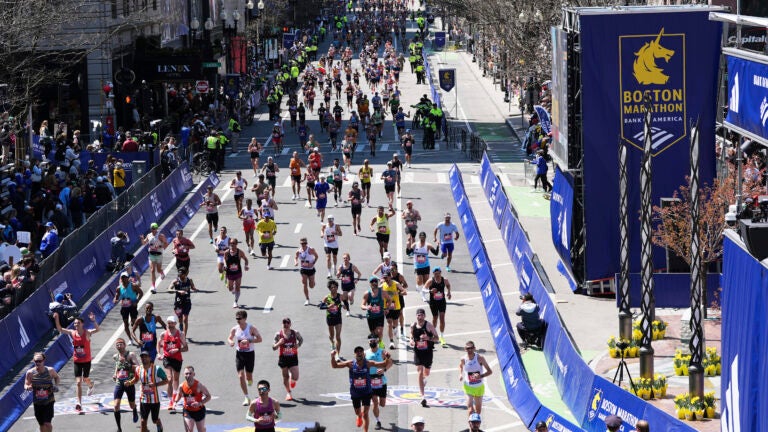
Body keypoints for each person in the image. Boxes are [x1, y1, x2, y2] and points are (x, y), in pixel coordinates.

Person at [330, 346, 388, 432]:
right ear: (354, 354)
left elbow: (383, 364)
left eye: (361, 351)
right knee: (358, 412)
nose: (359, 353)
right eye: (357, 352)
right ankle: (358, 416)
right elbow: (335, 366)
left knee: (365, 413)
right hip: (355, 393)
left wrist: (387, 357)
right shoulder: (350, 364)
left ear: (364, 354)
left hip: (366, 392)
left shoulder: (368, 363)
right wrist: (332, 357)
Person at [53, 312, 99, 413]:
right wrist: (56, 318)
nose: (76, 325)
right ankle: (79, 403)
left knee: (85, 378)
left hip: (86, 360)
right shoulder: (72, 333)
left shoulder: (87, 332)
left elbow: (97, 330)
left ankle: (91, 385)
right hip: (77, 361)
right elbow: (60, 329)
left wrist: (93, 320)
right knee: (78, 382)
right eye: (74, 323)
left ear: (82, 324)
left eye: (78, 323)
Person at [228, 310, 263, 406]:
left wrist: (249, 340)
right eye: (236, 319)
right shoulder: (235, 329)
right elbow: (229, 337)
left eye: (239, 319)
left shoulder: (251, 328)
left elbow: (260, 339)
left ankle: (250, 380)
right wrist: (230, 341)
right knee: (240, 376)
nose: (238, 321)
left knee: (249, 376)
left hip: (250, 354)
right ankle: (247, 397)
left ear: (245, 319)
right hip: (239, 354)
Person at [157, 315, 187, 410]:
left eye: (172, 323)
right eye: (169, 323)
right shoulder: (163, 334)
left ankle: (174, 398)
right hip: (167, 358)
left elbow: (186, 348)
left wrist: (177, 350)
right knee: (169, 379)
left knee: (176, 379)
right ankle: (171, 401)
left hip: (177, 359)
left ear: (175, 323)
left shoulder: (180, 334)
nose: (170, 325)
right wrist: (159, 353)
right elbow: (158, 343)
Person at [24, 352, 60, 432]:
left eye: (40, 361)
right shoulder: (30, 373)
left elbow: (57, 377)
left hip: (49, 401)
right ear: (34, 361)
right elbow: (26, 384)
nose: (38, 363)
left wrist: (56, 386)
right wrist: (27, 387)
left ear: (44, 361)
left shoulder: (50, 370)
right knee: (41, 424)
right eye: (36, 361)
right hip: (37, 402)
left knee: (47, 423)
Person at [410, 308, 438, 407]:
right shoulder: (413, 326)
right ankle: (423, 396)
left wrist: (428, 338)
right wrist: (411, 341)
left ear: (424, 316)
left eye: (421, 315)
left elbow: (437, 338)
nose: (420, 317)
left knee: (426, 373)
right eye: (418, 315)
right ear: (416, 316)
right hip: (418, 352)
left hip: (428, 352)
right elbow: (411, 336)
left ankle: (424, 380)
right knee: (420, 371)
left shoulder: (429, 325)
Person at [134, 350, 167, 432]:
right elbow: (136, 379)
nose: (144, 359)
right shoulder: (138, 369)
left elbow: (166, 380)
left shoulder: (157, 369)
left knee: (154, 420)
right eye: (142, 357)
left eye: (145, 357)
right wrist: (129, 382)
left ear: (150, 358)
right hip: (144, 398)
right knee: (143, 421)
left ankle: (159, 423)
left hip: (155, 399)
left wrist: (155, 384)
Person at [365, 334, 393, 430]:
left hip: (381, 381)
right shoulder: (365, 353)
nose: (372, 342)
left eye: (374, 340)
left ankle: (382, 399)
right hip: (371, 381)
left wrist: (384, 370)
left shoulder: (382, 352)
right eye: (371, 341)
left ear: (377, 341)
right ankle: (378, 421)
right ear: (368, 342)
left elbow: (391, 362)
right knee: (375, 402)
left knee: (382, 404)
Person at [111, 338, 140, 430]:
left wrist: (128, 364)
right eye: (117, 345)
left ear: (124, 345)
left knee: (131, 405)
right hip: (119, 383)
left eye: (121, 344)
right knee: (116, 405)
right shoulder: (115, 356)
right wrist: (115, 374)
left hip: (129, 383)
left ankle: (134, 409)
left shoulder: (131, 355)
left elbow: (139, 367)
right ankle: (119, 428)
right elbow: (117, 366)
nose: (119, 346)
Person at [272, 317, 304, 401]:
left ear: (290, 324)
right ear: (282, 324)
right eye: (284, 323)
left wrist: (298, 345)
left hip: (293, 357)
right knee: (285, 377)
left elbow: (301, 340)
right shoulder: (278, 334)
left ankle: (292, 380)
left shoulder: (295, 333)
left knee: (296, 377)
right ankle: (289, 392)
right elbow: (273, 347)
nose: (286, 324)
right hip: (283, 358)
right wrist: (279, 343)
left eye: (287, 323)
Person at [172, 366, 211, 432]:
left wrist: (199, 403)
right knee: (189, 430)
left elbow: (208, 396)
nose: (188, 375)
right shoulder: (182, 386)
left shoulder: (199, 385)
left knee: (201, 430)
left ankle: (203, 429)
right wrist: (175, 402)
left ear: (194, 374)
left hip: (199, 411)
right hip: (188, 411)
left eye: (190, 373)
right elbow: (179, 395)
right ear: (184, 375)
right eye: (186, 373)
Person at [459, 341, 493, 416]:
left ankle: (476, 427)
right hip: (468, 387)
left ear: (474, 348)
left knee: (478, 412)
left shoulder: (480, 358)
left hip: (479, 387)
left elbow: (490, 371)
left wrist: (480, 376)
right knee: (470, 410)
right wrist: (461, 374)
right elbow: (460, 366)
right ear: (465, 349)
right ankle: (470, 427)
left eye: (471, 348)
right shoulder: (463, 359)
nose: (469, 350)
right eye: (468, 348)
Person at [425, 267, 452, 346]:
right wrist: (430, 291)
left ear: (441, 273)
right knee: (435, 318)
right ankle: (434, 333)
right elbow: (423, 290)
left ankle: (442, 337)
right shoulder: (430, 281)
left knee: (442, 318)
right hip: (433, 302)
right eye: (435, 274)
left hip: (442, 301)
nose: (437, 275)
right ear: (433, 274)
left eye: (438, 273)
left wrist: (449, 292)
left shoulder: (444, 280)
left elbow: (448, 285)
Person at [407, 232, 439, 301]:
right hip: (418, 265)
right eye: (421, 237)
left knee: (426, 282)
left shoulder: (428, 245)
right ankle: (417, 285)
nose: (422, 238)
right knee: (420, 282)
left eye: (423, 237)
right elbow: (408, 253)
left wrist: (438, 246)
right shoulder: (415, 245)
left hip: (426, 265)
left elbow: (436, 253)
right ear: (419, 237)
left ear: (425, 237)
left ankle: (423, 296)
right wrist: (408, 246)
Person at [361, 276, 389, 349]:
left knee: (379, 331)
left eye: (375, 282)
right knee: (373, 334)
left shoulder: (382, 292)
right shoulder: (367, 293)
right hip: (371, 317)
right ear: (370, 284)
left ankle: (380, 343)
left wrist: (387, 308)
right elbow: (362, 305)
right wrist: (367, 307)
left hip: (380, 315)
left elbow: (389, 299)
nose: (374, 283)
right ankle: (375, 347)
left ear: (377, 283)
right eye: (372, 282)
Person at [381, 271, 406, 349]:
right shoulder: (382, 285)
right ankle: (391, 341)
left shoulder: (396, 284)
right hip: (387, 307)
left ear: (390, 277)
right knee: (389, 323)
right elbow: (377, 292)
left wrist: (398, 293)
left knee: (395, 324)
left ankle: (395, 329)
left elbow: (405, 292)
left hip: (396, 307)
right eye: (384, 277)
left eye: (386, 277)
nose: (385, 279)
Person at [140, 223, 168, 293]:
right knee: (152, 270)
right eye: (152, 228)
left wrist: (159, 247)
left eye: (154, 228)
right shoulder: (149, 235)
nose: (153, 230)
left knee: (158, 270)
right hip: (151, 255)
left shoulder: (161, 236)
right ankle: (153, 287)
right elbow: (144, 243)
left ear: (156, 228)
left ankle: (162, 273)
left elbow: (166, 244)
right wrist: (142, 239)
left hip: (159, 254)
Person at [170, 268, 197, 335]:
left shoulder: (189, 280)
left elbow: (193, 287)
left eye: (181, 274)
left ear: (185, 274)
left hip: (187, 302)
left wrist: (195, 289)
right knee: (180, 319)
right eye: (179, 273)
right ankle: (181, 324)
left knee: (185, 319)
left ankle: (184, 336)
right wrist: (178, 291)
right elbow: (169, 289)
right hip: (178, 303)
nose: (179, 275)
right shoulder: (175, 281)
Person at [224, 238, 250, 308]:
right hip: (230, 273)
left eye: (233, 243)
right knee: (230, 289)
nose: (231, 245)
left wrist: (246, 266)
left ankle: (235, 302)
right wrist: (225, 266)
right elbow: (224, 260)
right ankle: (233, 288)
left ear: (236, 244)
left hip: (238, 273)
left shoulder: (240, 252)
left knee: (238, 287)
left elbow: (246, 259)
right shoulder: (226, 252)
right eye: (230, 243)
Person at [295, 238, 319, 305]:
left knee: (311, 286)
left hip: (311, 269)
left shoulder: (311, 249)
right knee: (304, 283)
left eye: (304, 243)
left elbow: (317, 256)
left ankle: (313, 282)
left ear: (306, 243)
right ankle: (307, 299)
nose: (303, 245)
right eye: (302, 243)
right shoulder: (299, 251)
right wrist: (296, 262)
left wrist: (313, 263)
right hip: (303, 269)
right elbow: (295, 257)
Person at [336, 252, 362, 316]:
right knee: (344, 299)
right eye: (344, 258)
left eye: (346, 258)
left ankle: (351, 299)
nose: (345, 259)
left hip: (351, 286)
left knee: (350, 296)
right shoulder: (341, 266)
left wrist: (357, 279)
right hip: (344, 286)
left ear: (349, 259)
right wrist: (338, 274)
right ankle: (348, 311)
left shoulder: (352, 266)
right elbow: (338, 275)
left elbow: (359, 273)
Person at [321, 280, 344, 353]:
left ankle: (337, 354)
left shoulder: (340, 296)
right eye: (332, 287)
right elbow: (321, 307)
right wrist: (328, 306)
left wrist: (344, 306)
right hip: (330, 318)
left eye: (335, 287)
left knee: (338, 337)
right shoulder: (327, 297)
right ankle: (332, 343)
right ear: (329, 288)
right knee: (331, 336)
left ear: (337, 288)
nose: (333, 288)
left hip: (338, 318)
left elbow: (345, 303)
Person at [389, 262, 409, 336]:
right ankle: (394, 327)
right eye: (391, 269)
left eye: (393, 269)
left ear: (396, 269)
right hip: (390, 298)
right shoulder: (388, 277)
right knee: (391, 313)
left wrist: (400, 290)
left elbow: (406, 285)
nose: (392, 270)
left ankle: (402, 328)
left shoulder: (399, 276)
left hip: (399, 297)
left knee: (400, 313)